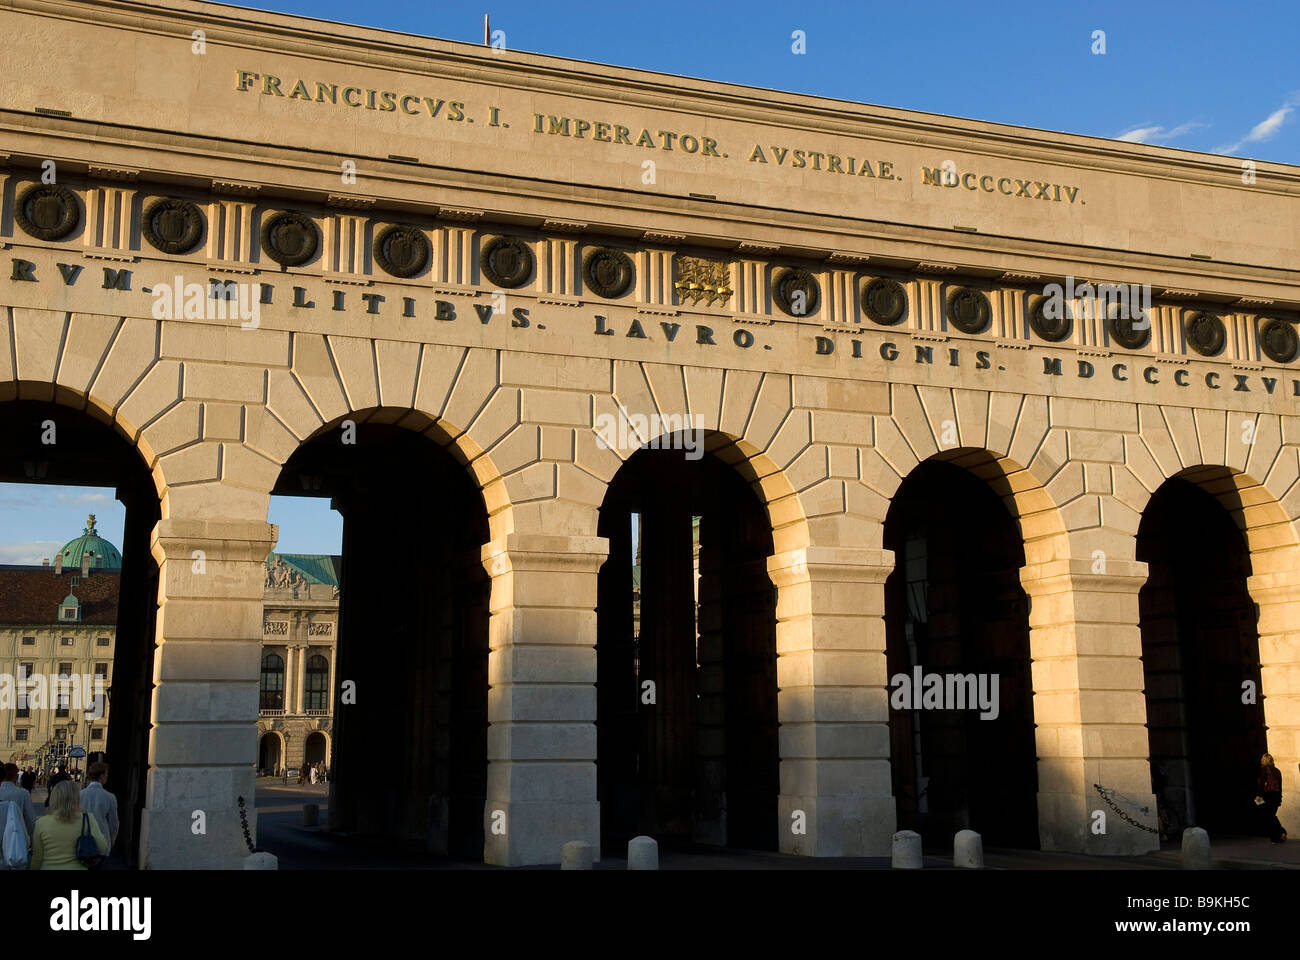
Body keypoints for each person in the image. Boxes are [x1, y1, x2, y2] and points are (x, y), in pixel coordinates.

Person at [30, 780, 106, 870]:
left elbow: (37, 857)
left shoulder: (41, 823)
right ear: (76, 798)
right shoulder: (87, 819)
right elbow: (102, 846)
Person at [79, 761, 119, 853]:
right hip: (102, 840)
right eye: (106, 774)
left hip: (82, 840)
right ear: (101, 776)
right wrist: (112, 840)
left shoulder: (80, 795)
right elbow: (113, 822)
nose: (107, 776)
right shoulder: (109, 797)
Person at [0, 762, 38, 843]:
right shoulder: (23, 793)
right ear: (16, 776)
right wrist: (33, 840)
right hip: (15, 840)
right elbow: (30, 820)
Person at [1255, 753, 1288, 843]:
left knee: (1268, 817)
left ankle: (1281, 833)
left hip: (1267, 796)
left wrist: (1258, 796)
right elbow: (1280, 786)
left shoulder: (1264, 770)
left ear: (1263, 761)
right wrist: (1280, 798)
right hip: (1276, 797)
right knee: (1271, 816)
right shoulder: (1278, 771)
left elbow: (1261, 785)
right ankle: (1277, 837)